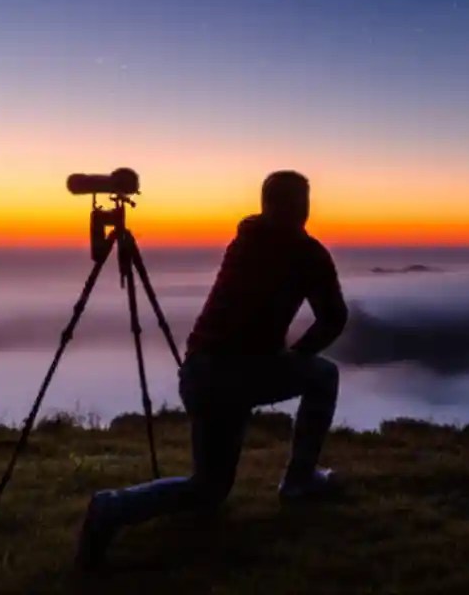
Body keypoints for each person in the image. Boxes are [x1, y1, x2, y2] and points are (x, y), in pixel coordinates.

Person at [76, 170, 348, 570]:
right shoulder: (306, 252)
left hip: (200, 373)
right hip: (238, 377)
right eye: (300, 201)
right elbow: (334, 318)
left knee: (208, 488)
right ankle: (298, 482)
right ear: (301, 206)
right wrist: (297, 355)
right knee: (323, 376)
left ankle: (113, 508)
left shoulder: (244, 239)